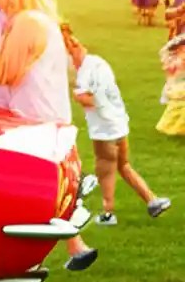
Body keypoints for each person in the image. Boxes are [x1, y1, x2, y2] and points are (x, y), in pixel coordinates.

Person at [0, 0, 97, 271]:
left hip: (34, 119)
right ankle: (75, 247)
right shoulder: (42, 21)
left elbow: (4, 74)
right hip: (51, 115)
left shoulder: (25, 23)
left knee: (34, 192)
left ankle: (33, 256)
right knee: (51, 189)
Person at [60, 24, 172, 224]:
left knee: (105, 171)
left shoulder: (85, 72)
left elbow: (89, 99)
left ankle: (107, 214)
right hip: (120, 124)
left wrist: (76, 94)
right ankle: (152, 200)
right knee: (124, 165)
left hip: (104, 130)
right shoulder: (98, 63)